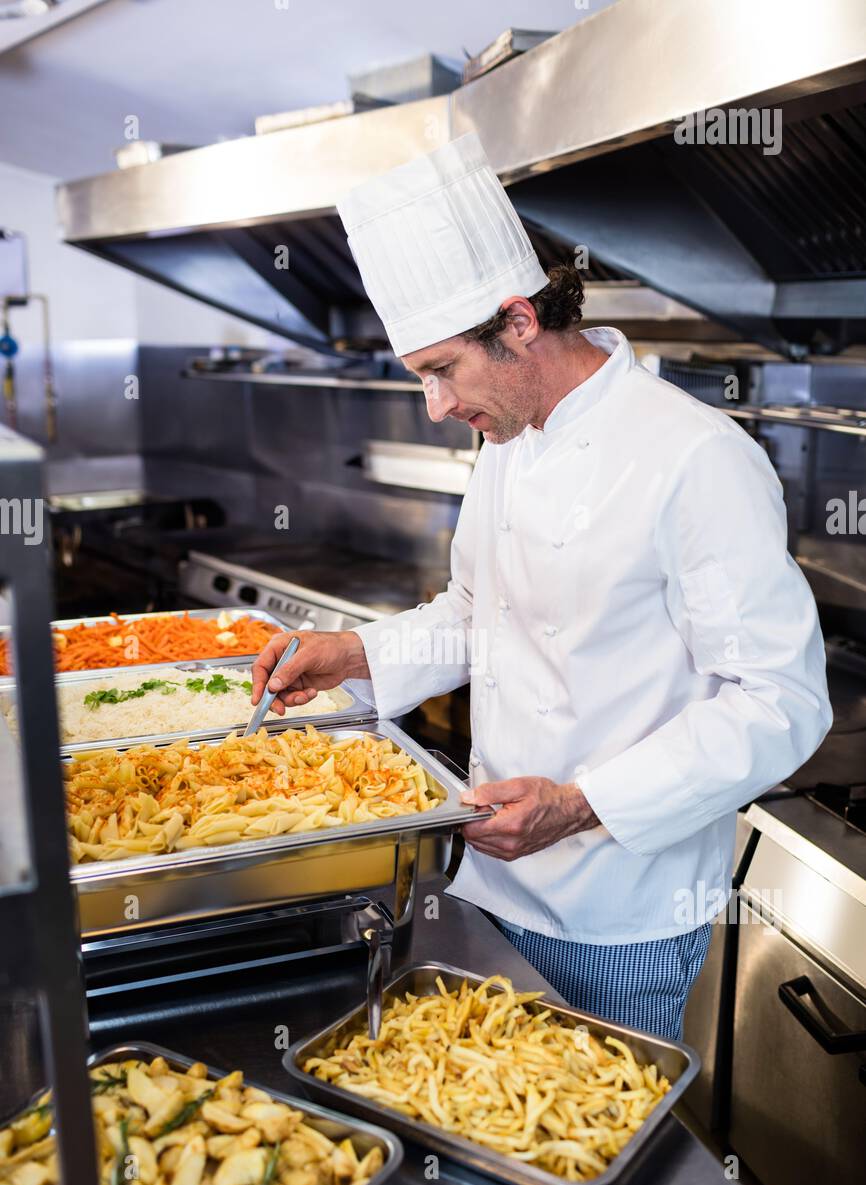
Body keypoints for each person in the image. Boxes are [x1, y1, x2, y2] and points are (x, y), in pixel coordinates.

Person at [251, 132, 832, 1039]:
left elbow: (780, 702)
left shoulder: (697, 458)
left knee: (593, 1155)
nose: (437, 406)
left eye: (443, 371)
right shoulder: (509, 438)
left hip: (619, 911)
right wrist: (356, 652)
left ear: (519, 322)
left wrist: (579, 804)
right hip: (490, 881)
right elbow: (479, 614)